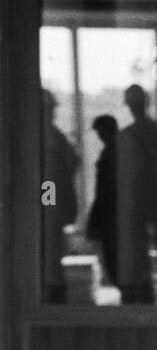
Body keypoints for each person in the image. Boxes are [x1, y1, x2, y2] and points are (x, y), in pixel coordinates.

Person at [117, 84, 157, 304]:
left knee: (138, 256)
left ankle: (146, 297)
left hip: (139, 201)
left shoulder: (128, 136)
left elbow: (125, 175)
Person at [40, 89, 80, 304]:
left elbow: (54, 178)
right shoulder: (48, 137)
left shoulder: (53, 137)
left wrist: (51, 207)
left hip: (48, 210)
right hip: (47, 210)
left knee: (51, 259)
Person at [85, 114, 120, 292]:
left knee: (114, 258)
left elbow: (106, 190)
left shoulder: (115, 153)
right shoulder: (111, 152)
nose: (99, 136)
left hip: (112, 215)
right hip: (110, 214)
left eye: (101, 132)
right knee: (111, 259)